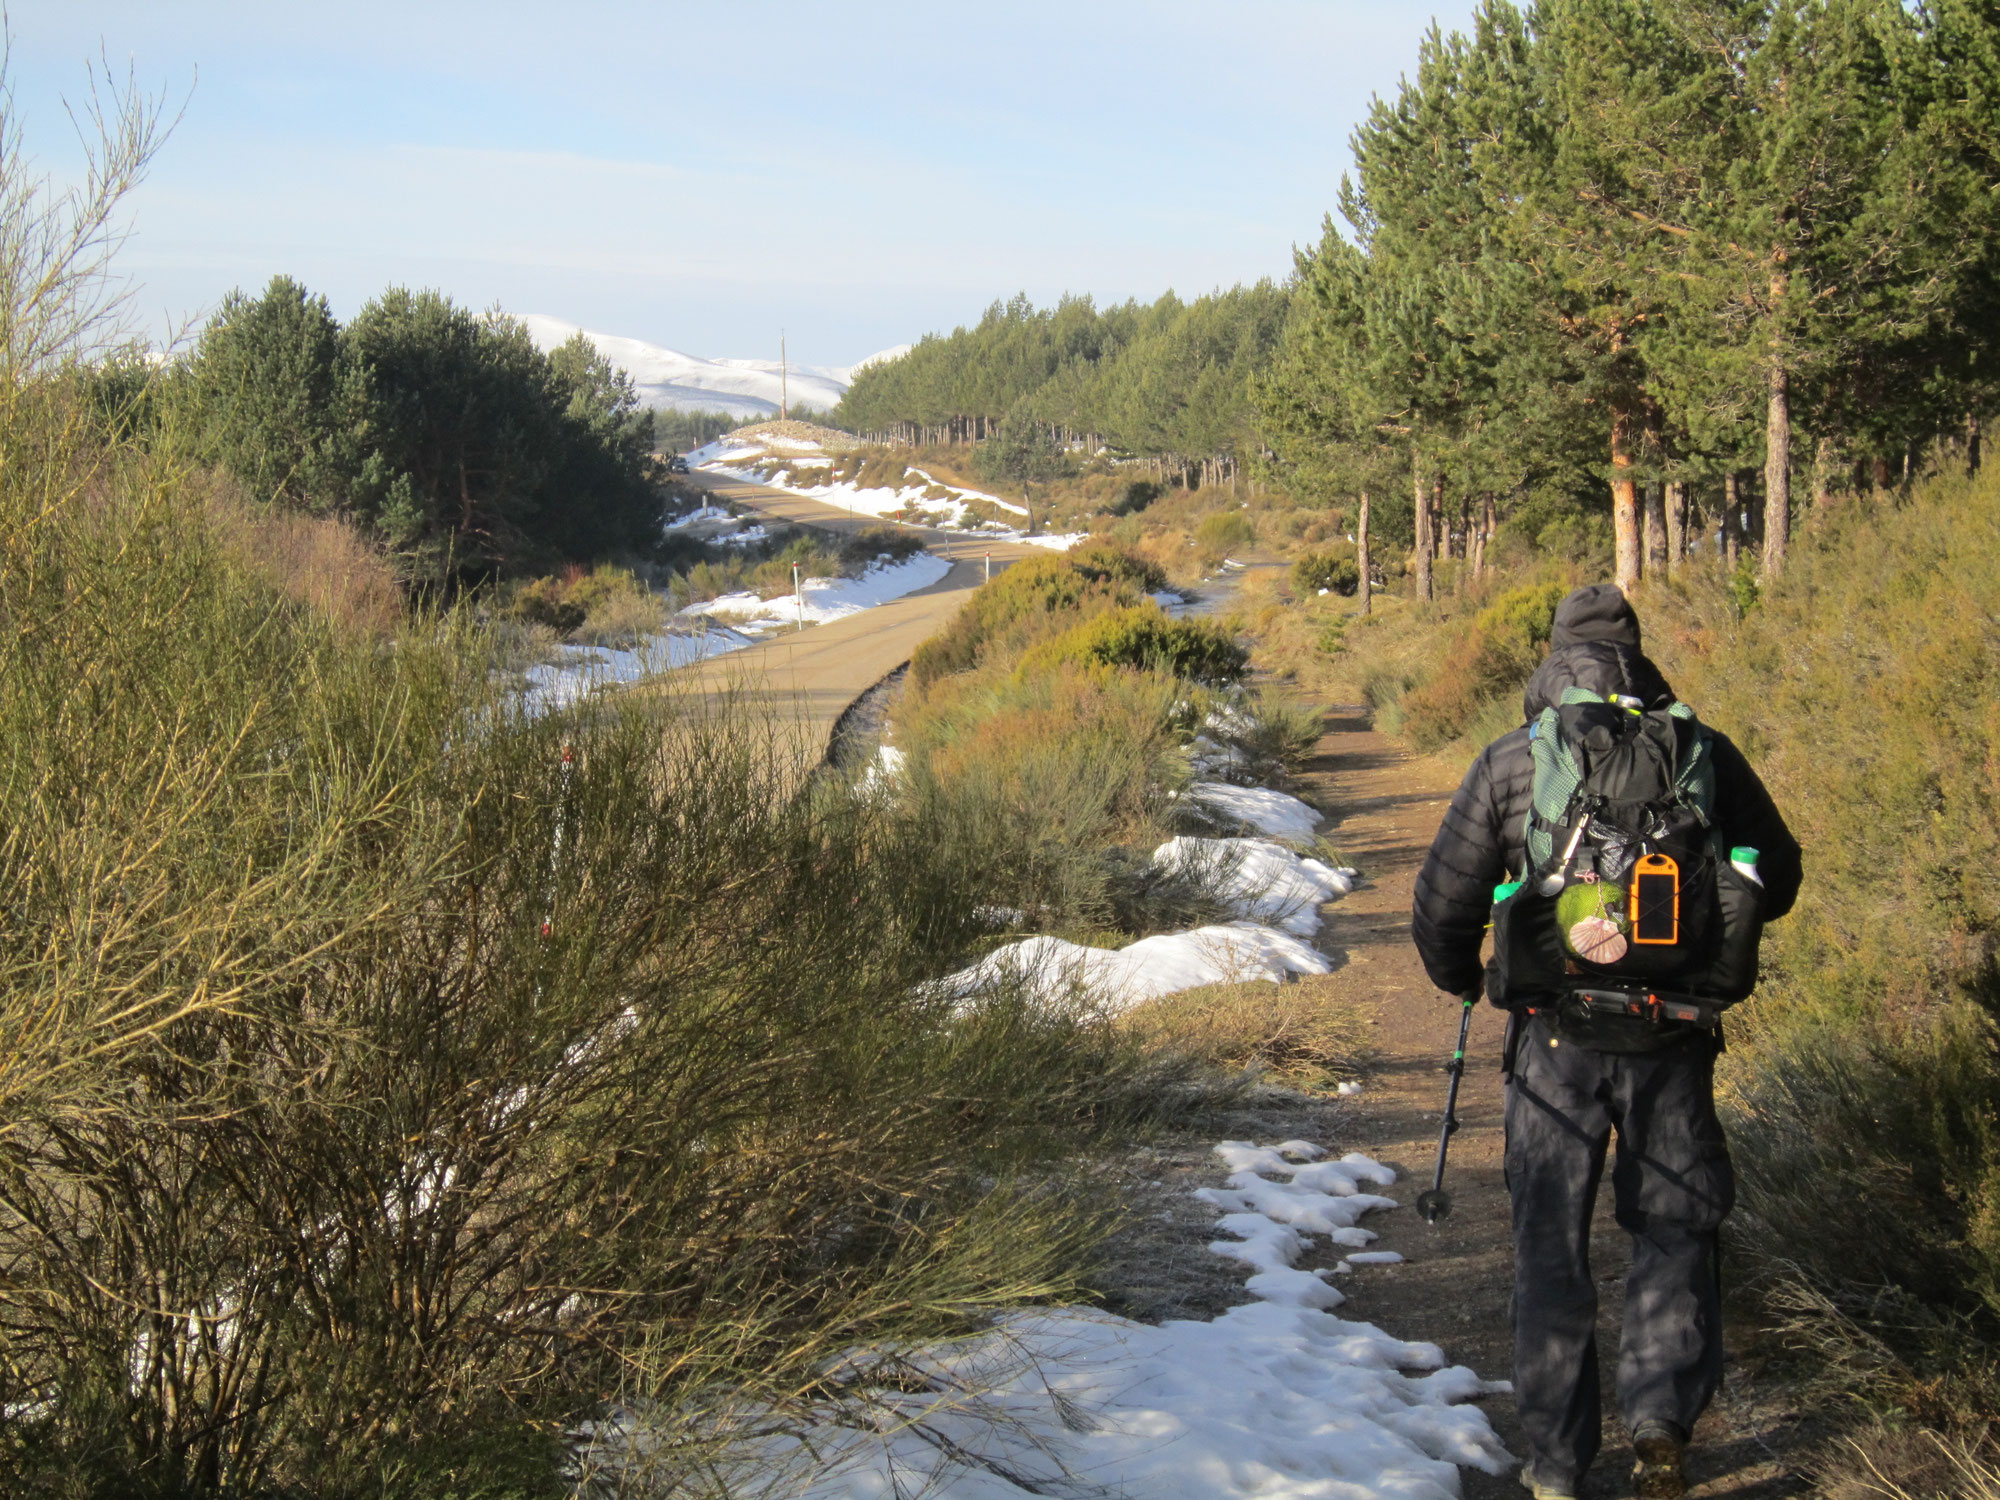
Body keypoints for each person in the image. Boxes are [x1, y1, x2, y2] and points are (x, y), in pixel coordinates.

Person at [1411, 584, 1800, 1500]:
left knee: (1552, 1247)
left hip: (1553, 1039)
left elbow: (1443, 906)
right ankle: (1661, 1417)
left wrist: (1468, 979)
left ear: (1554, 660)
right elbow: (1776, 876)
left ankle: (1554, 1466)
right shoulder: (1702, 753)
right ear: (1639, 657)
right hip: (1671, 1039)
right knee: (1673, 1229)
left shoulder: (1515, 759)